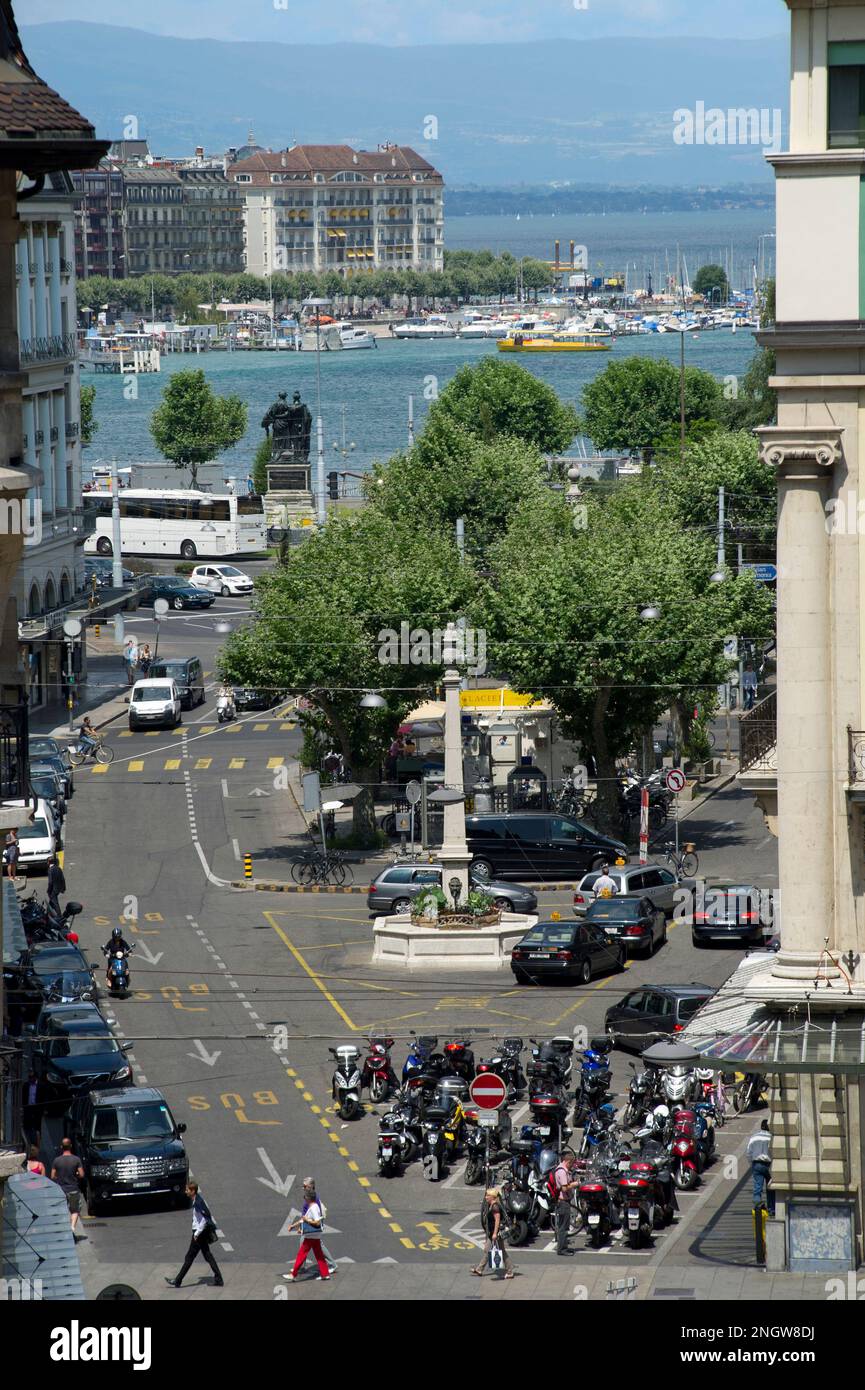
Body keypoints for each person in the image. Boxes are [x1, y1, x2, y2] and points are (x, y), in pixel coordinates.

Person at [166, 1182, 224, 1288]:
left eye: (187, 1190)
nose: (185, 1191)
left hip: (199, 1234)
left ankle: (177, 1281)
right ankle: (219, 1279)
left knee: (190, 1257)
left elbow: (203, 1221)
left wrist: (196, 1234)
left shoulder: (197, 1202)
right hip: (199, 1233)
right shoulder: (197, 1200)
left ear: (192, 1191)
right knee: (207, 1256)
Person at [284, 1178, 331, 1281]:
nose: (304, 1198)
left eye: (305, 1197)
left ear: (309, 1198)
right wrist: (293, 1226)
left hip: (311, 1235)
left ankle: (293, 1274)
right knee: (319, 1255)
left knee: (301, 1254)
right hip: (315, 1235)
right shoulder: (313, 1206)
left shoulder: (313, 1208)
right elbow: (304, 1219)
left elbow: (317, 1221)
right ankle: (325, 1274)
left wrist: (308, 1220)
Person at [471, 1188, 515, 1278]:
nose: (486, 1197)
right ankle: (480, 1269)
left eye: (488, 1196)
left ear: (493, 1197)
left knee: (497, 1251)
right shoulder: (492, 1205)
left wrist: (495, 1233)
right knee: (489, 1250)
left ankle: (510, 1271)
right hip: (492, 1233)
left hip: (496, 1234)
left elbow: (497, 1221)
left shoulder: (495, 1207)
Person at [51, 1137, 85, 1239]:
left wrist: (59, 1177)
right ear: (70, 1146)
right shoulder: (76, 1159)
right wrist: (76, 1175)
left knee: (63, 1210)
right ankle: (72, 1228)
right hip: (73, 1188)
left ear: (61, 1147)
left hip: (61, 1189)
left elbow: (52, 1176)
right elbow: (82, 1174)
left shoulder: (56, 1160)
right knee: (74, 1210)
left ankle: (64, 1230)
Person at [553, 1152, 581, 1256]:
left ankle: (564, 1247)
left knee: (564, 1226)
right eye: (571, 1164)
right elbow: (564, 1188)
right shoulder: (562, 1172)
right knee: (563, 1227)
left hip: (564, 1201)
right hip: (563, 1202)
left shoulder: (562, 1169)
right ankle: (561, 1249)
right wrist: (574, 1184)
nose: (571, 1166)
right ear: (568, 1162)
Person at [748, 1118, 774, 1214]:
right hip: (769, 1164)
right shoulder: (771, 1138)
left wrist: (751, 1163)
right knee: (770, 1187)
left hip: (757, 1163)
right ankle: (772, 1209)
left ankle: (757, 1207)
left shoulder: (754, 1137)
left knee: (757, 1187)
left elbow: (749, 1152)